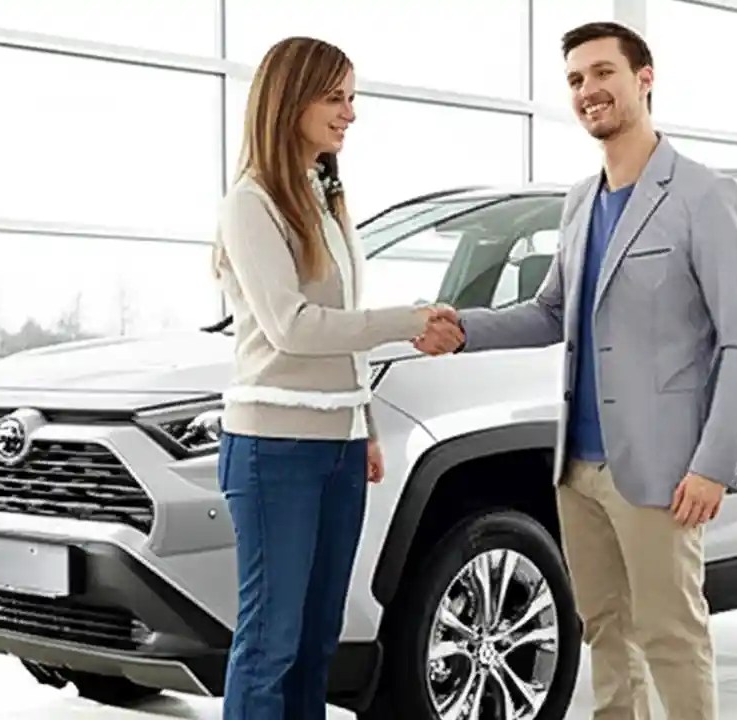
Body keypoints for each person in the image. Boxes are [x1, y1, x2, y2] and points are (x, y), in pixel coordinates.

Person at [414, 21, 737, 720]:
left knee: (671, 633)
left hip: (664, 468)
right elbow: (552, 314)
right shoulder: (579, 202)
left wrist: (712, 463)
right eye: (576, 80)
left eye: (602, 73)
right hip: (577, 468)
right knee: (605, 629)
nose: (588, 91)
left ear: (645, 78)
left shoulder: (703, 195)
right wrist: (461, 330)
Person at [211, 36, 450, 720]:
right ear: (290, 100)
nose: (350, 114)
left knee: (317, 641)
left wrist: (363, 426)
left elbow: (340, 328)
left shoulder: (324, 193)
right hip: (274, 447)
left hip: (338, 446)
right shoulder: (251, 202)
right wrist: (407, 321)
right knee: (270, 643)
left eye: (353, 98)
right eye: (335, 97)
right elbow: (293, 326)